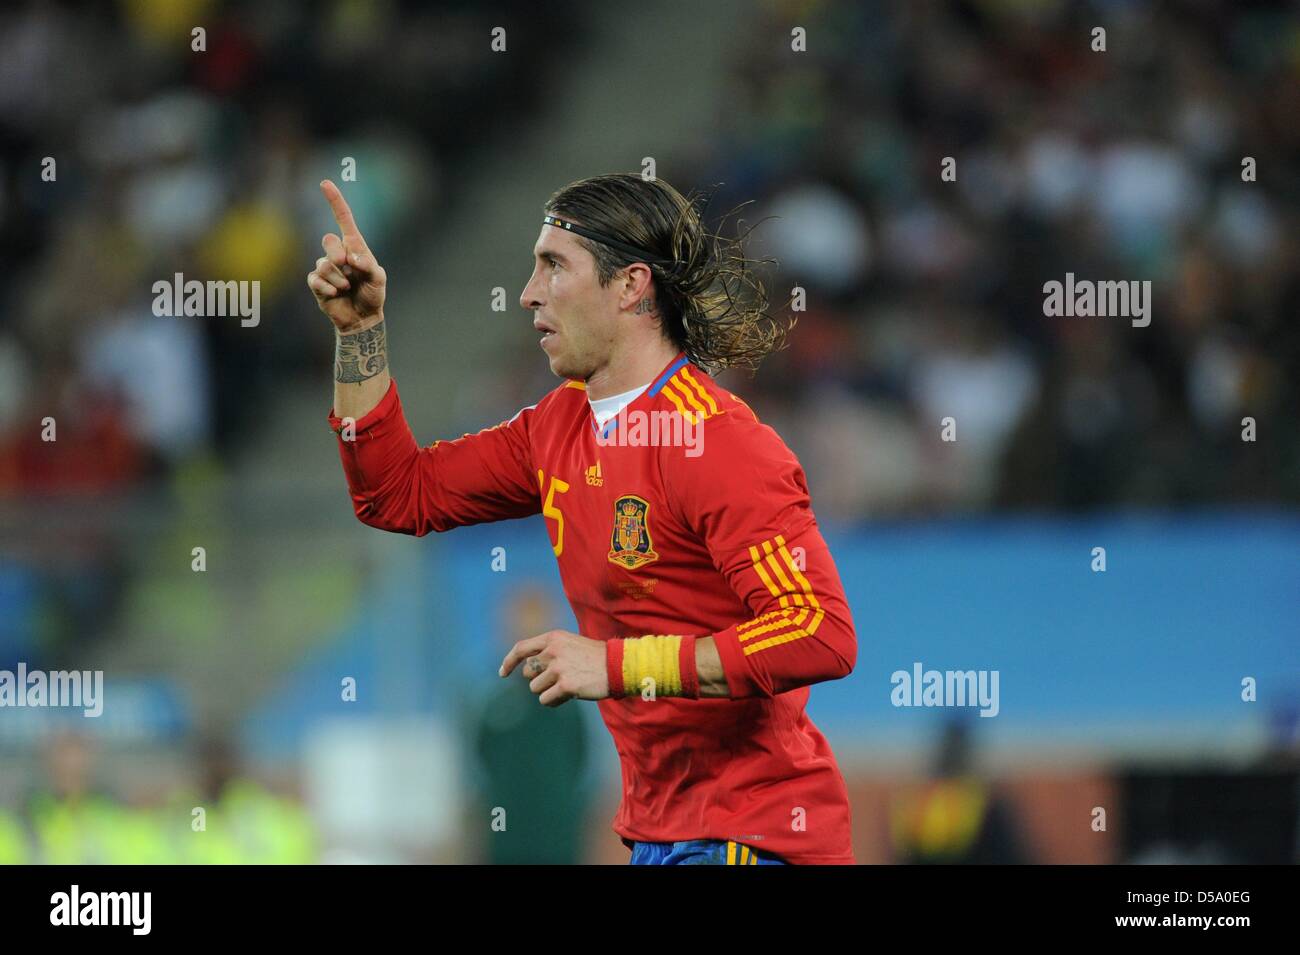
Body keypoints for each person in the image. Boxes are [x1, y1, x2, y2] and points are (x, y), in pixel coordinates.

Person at [308, 173, 858, 864]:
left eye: (553, 266)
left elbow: (820, 632)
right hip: (663, 833)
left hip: (754, 834)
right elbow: (396, 493)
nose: (528, 292)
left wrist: (618, 662)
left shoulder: (717, 442)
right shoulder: (557, 426)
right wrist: (361, 333)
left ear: (630, 286)